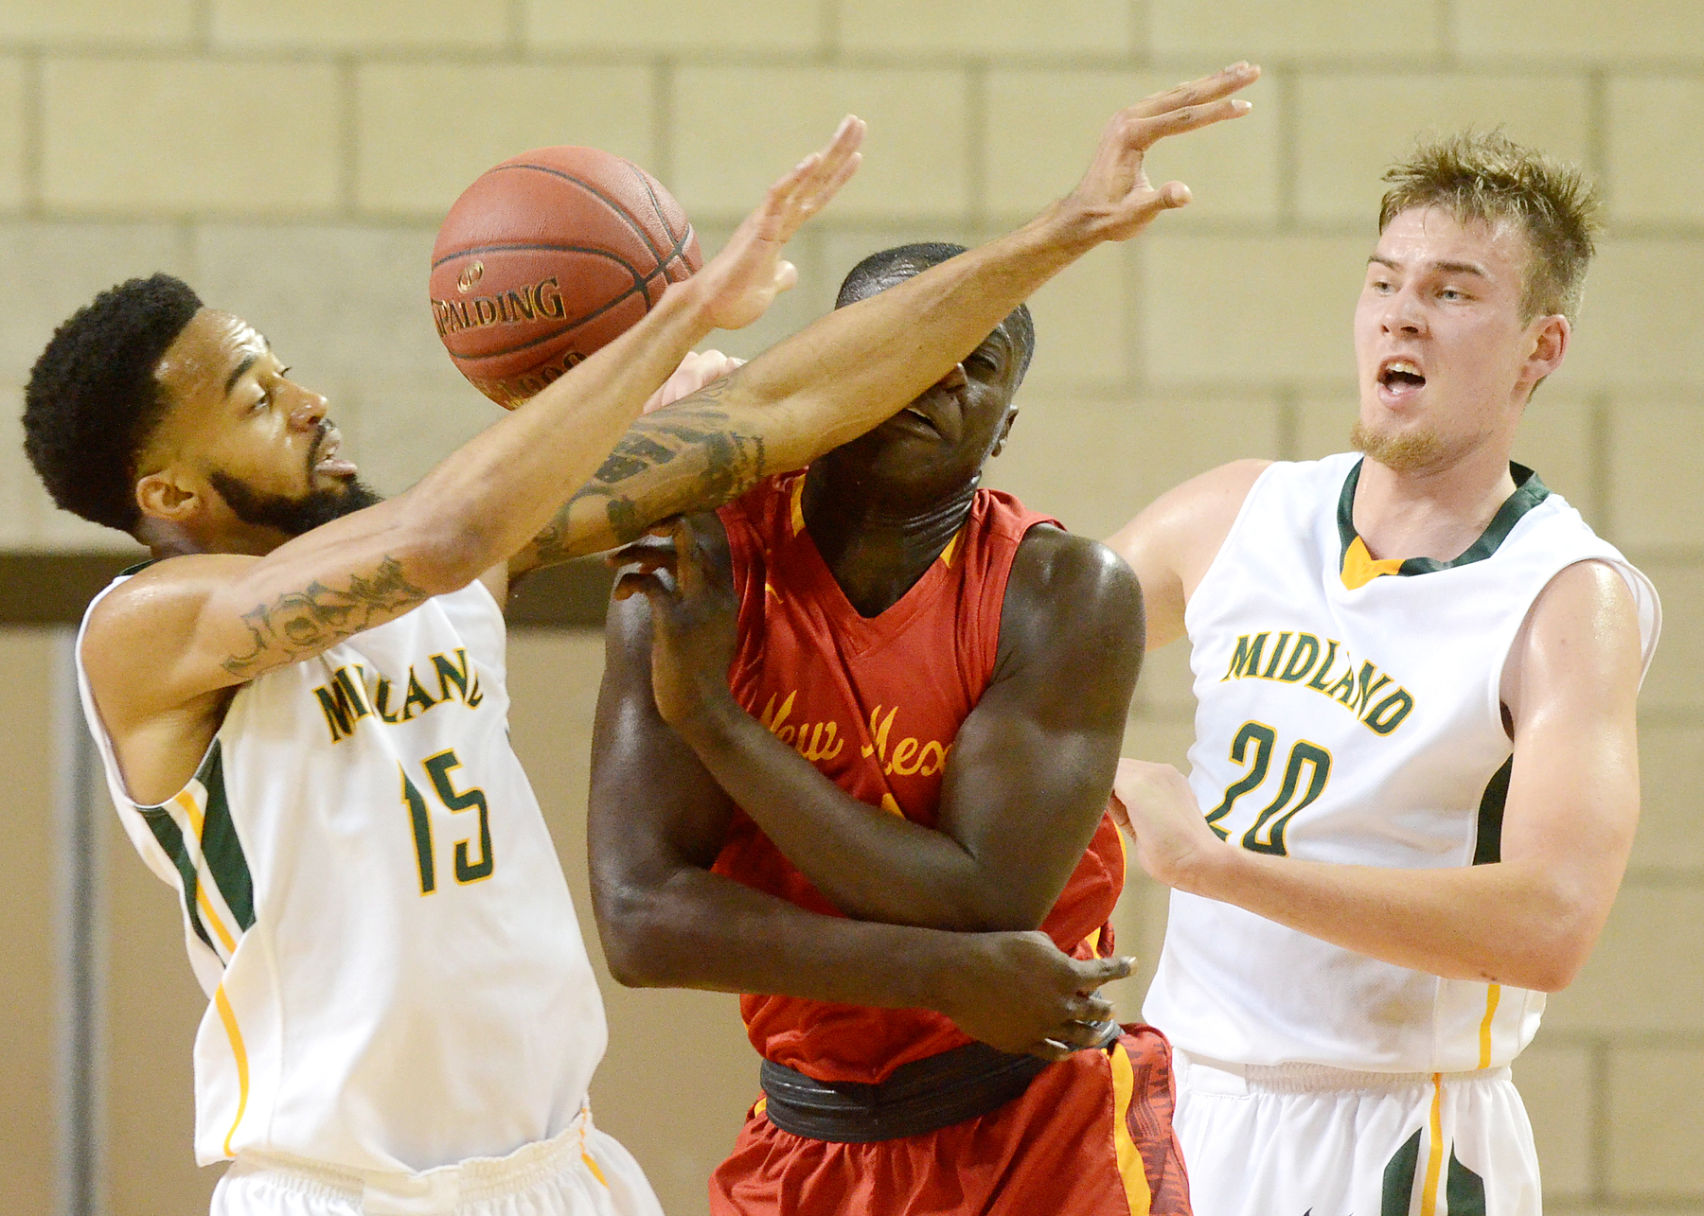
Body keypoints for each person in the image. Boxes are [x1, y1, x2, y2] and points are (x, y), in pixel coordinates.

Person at [21, 111, 1141, 1216]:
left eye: (287, 372)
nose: (310, 401)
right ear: (165, 495)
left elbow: (785, 404)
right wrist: (674, 318)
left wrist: (1058, 232)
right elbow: (442, 533)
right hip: (338, 1189)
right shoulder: (150, 631)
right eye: (259, 400)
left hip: (561, 1172)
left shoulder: (444, 563)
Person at [588, 66, 1261, 1216]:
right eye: (900, 342)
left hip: (1044, 1130)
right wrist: (943, 974)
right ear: (829, 367)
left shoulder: (1062, 592)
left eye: (978, 361)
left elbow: (983, 900)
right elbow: (643, 920)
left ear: (1007, 426)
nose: (936, 372)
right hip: (808, 1131)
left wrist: (718, 720)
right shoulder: (707, 563)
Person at [1105, 130, 1662, 1216]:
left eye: (1453, 292)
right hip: (1183, 1106)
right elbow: (996, 649)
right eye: (1383, 284)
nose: (1402, 313)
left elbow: (1551, 922)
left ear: (1539, 349)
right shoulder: (1234, 511)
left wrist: (1216, 866)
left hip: (1397, 1128)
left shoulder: (1565, 596)